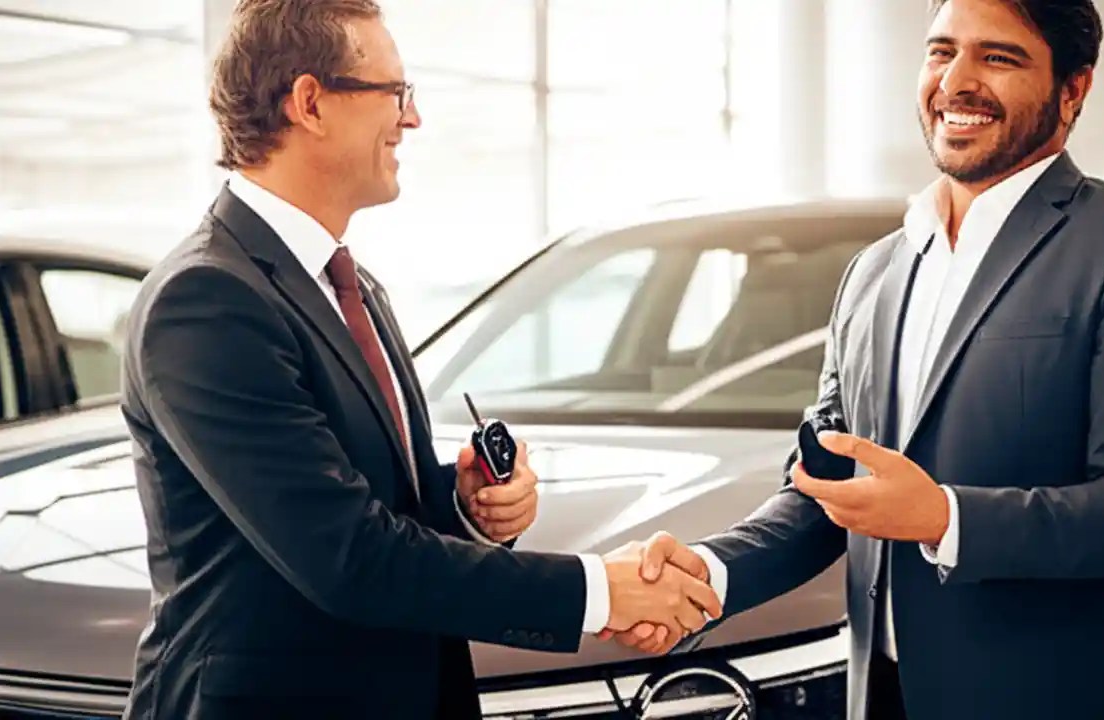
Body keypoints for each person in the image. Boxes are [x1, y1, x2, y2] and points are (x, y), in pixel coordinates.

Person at [601, 0, 1104, 718]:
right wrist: (707, 571)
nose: (956, 80)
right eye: (940, 51)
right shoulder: (874, 270)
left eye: (998, 57)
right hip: (886, 695)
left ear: (1073, 88)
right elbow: (823, 490)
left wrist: (944, 518)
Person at [118, 2, 719, 718]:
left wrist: (460, 504)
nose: (412, 120)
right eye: (395, 93)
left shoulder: (347, 282)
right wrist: (600, 590)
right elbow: (346, 556)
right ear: (310, 102)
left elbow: (364, 499)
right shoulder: (208, 300)